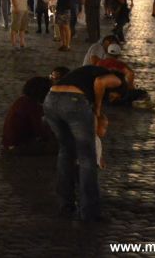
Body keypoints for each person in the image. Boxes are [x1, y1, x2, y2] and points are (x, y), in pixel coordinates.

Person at [43, 63, 124, 222]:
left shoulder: (85, 73)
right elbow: (100, 82)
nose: (113, 99)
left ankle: (66, 205)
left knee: (66, 152)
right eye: (114, 96)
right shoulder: (117, 80)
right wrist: (98, 108)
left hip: (50, 101)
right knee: (87, 157)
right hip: (73, 101)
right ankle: (90, 212)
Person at [2, 76, 54, 154]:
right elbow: (40, 130)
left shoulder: (23, 100)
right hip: (18, 147)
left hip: (10, 144)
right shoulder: (32, 105)